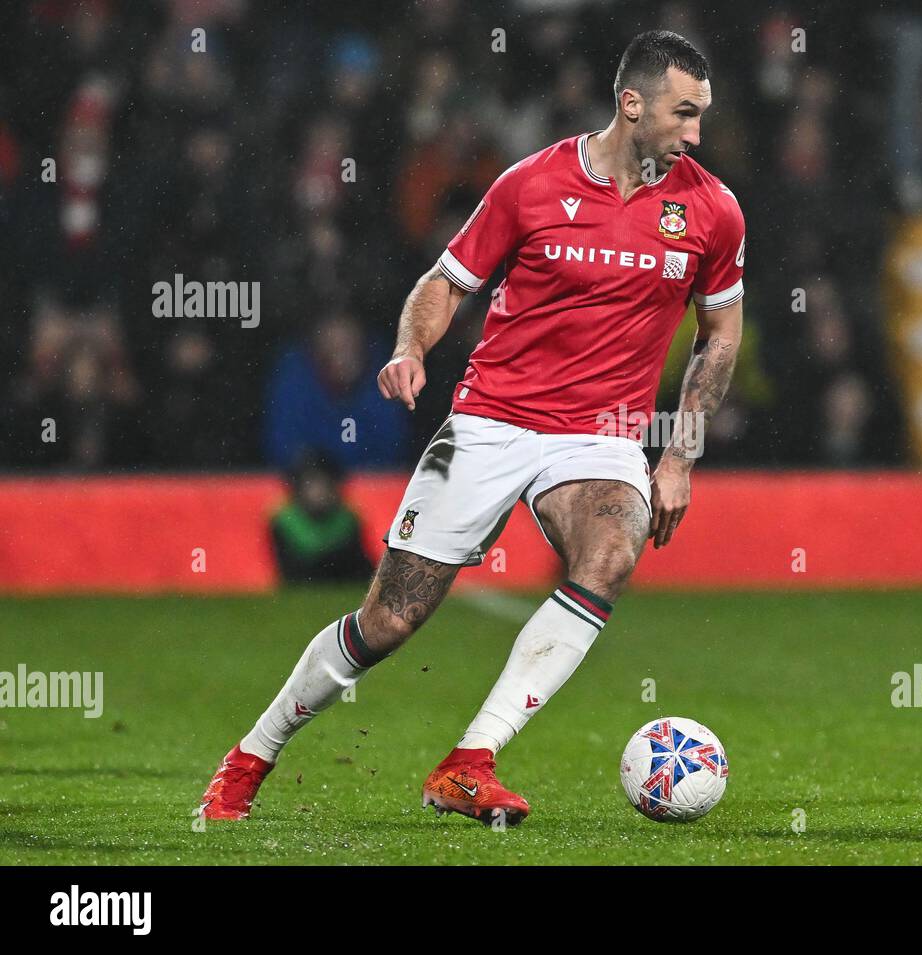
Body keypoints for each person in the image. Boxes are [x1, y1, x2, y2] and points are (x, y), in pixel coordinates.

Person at [200, 30, 745, 827]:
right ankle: (251, 754)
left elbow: (720, 335)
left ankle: (470, 759)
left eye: (702, 116)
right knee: (388, 620)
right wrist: (408, 347)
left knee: (612, 548)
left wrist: (680, 456)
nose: (696, 134)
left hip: (599, 435)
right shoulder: (530, 185)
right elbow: (444, 281)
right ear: (631, 104)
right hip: (491, 418)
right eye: (684, 113)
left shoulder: (710, 209)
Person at [270, 450, 374, 584]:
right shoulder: (283, 521)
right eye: (310, 484)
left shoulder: (349, 519)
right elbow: (289, 573)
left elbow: (362, 571)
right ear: (298, 488)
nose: (318, 491)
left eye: (323, 483)